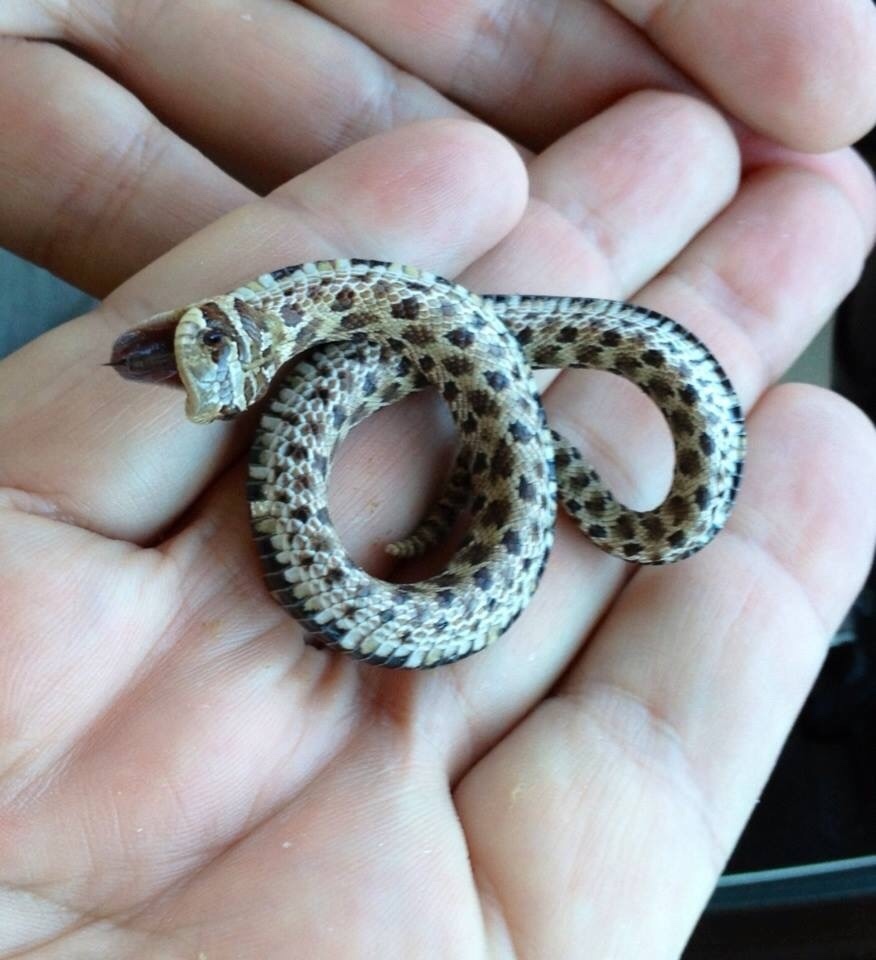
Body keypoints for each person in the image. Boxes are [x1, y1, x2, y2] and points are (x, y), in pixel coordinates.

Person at [1, 2, 875, 956]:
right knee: (390, 381)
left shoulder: (362, 316)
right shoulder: (327, 324)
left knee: (636, 502)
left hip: (439, 433)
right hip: (393, 420)